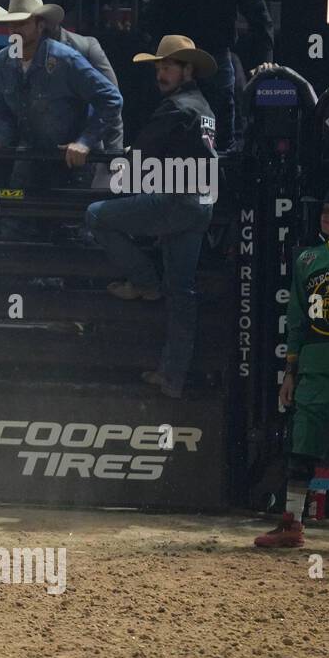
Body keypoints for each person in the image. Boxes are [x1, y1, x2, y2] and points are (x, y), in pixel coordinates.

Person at [86, 35, 218, 400]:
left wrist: (114, 157)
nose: (160, 73)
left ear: (187, 70)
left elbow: (141, 154)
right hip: (201, 204)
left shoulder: (177, 108)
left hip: (178, 199)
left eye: (168, 66)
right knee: (182, 293)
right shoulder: (204, 107)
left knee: (96, 215)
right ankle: (172, 377)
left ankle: (144, 280)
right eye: (159, 66)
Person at [257, 182, 329, 548]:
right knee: (302, 442)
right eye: (324, 209)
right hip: (317, 362)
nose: (325, 215)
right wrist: (290, 370)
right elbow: (297, 318)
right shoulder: (308, 260)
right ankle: (292, 522)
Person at [140, 0, 273, 152]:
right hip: (178, 59)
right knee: (174, 121)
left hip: (217, 57)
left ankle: (221, 179)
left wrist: (265, 60)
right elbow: (148, 16)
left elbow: (260, 17)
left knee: (222, 126)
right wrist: (161, 57)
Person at [0, 0, 122, 191]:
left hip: (72, 160)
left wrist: (85, 142)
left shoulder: (65, 59)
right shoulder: (3, 61)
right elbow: (2, 109)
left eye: (22, 23)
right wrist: (0, 141)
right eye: (11, 24)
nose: (14, 30)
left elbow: (111, 99)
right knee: (14, 216)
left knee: (69, 219)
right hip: (29, 157)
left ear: (40, 26)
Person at [37, 0, 123, 151]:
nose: (44, 24)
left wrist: (113, 156)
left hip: (82, 152)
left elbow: (112, 103)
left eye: (47, 17)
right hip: (35, 153)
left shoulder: (86, 47)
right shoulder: (16, 56)